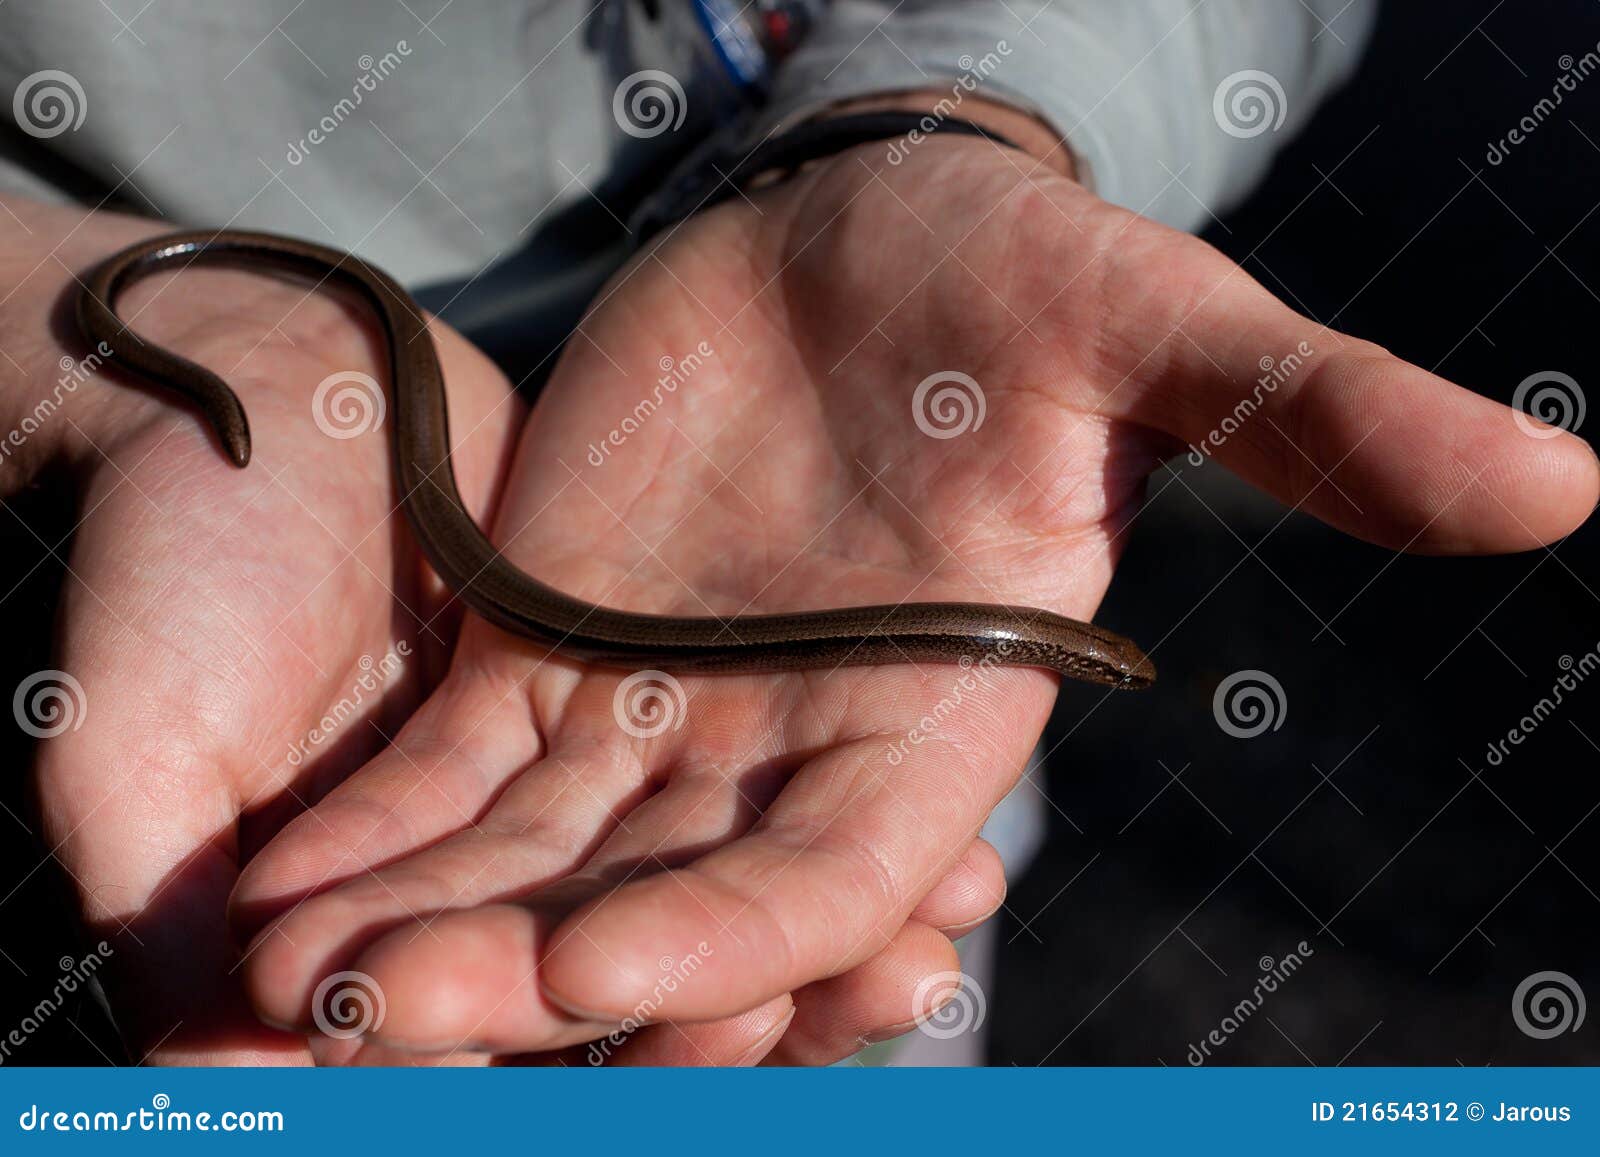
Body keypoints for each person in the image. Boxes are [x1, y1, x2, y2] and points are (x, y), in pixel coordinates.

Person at [1, 0, 1593, 1066]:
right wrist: (33, 311)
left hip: (800, 738)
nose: (1103, 669)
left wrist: (953, 113)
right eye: (1088, 660)